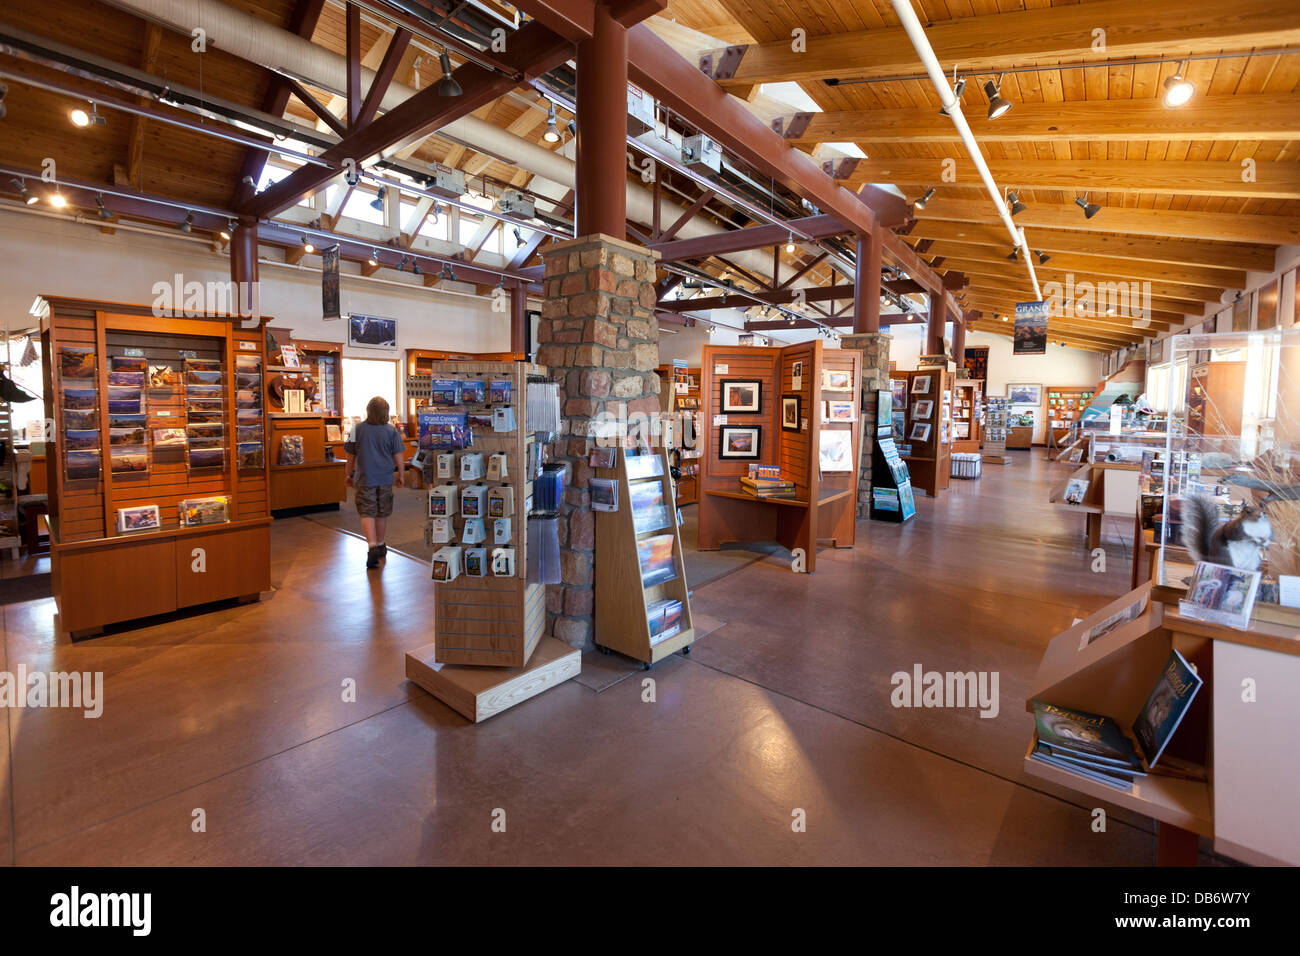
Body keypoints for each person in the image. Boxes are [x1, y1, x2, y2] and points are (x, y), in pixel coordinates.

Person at [344, 396, 407, 570]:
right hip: (385, 479)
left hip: (364, 479)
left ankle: (371, 545)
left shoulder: (357, 429)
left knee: (367, 512)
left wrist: (348, 475)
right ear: (386, 412)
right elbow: (398, 456)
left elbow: (350, 456)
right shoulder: (392, 431)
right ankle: (380, 543)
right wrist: (401, 474)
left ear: (368, 411)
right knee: (382, 512)